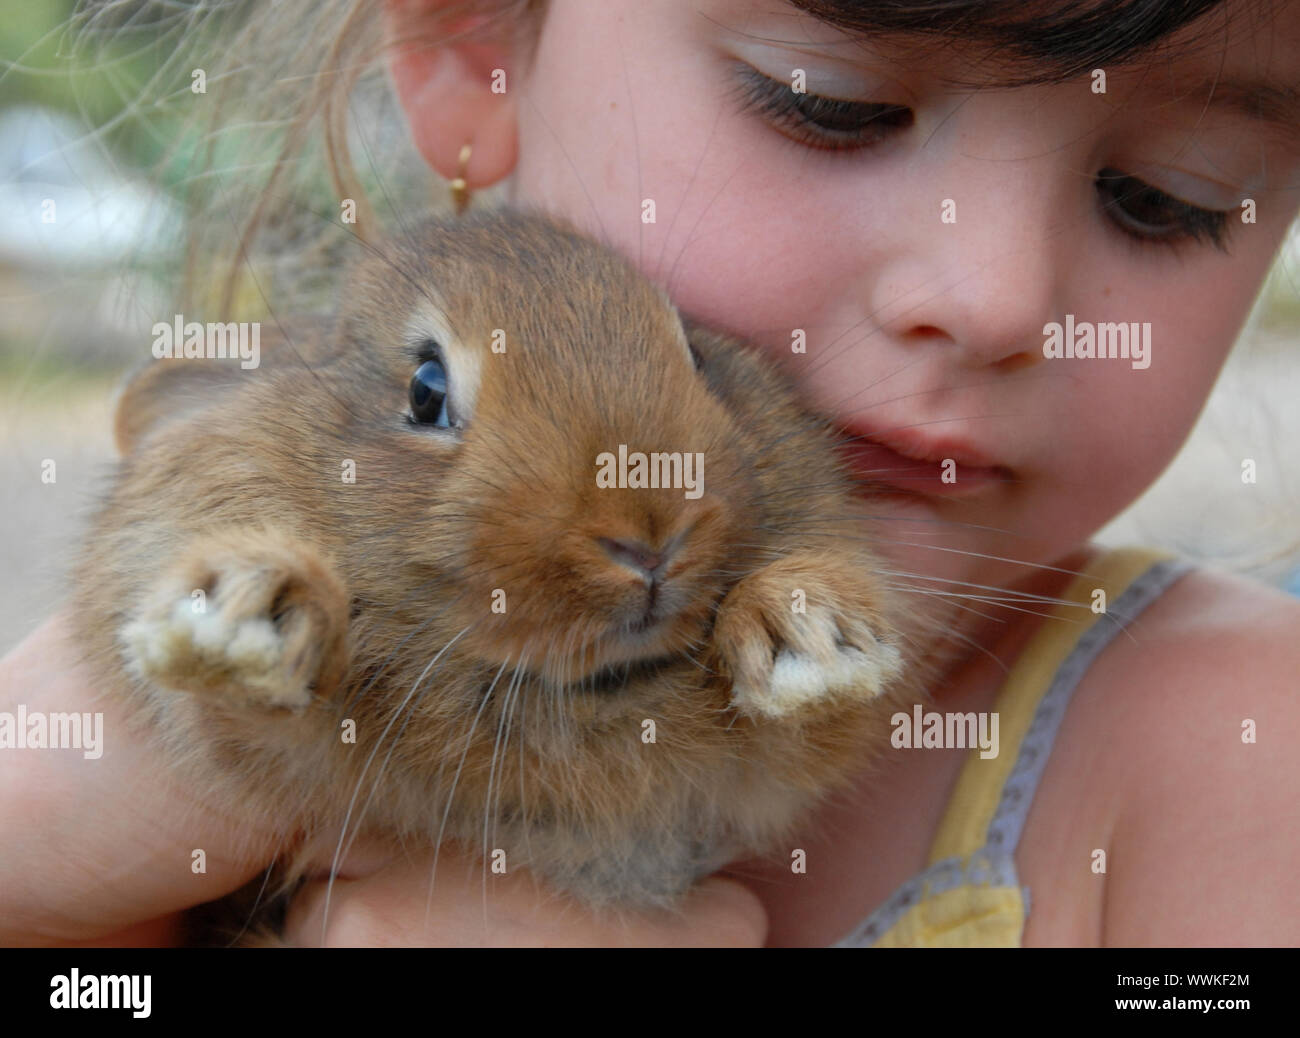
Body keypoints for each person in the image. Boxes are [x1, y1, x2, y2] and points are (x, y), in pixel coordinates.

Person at [3, 0, 1299, 947]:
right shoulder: (120, 743)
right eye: (825, 103)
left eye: (1168, 196)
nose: (997, 300)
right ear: (474, 41)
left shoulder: (1238, 759)